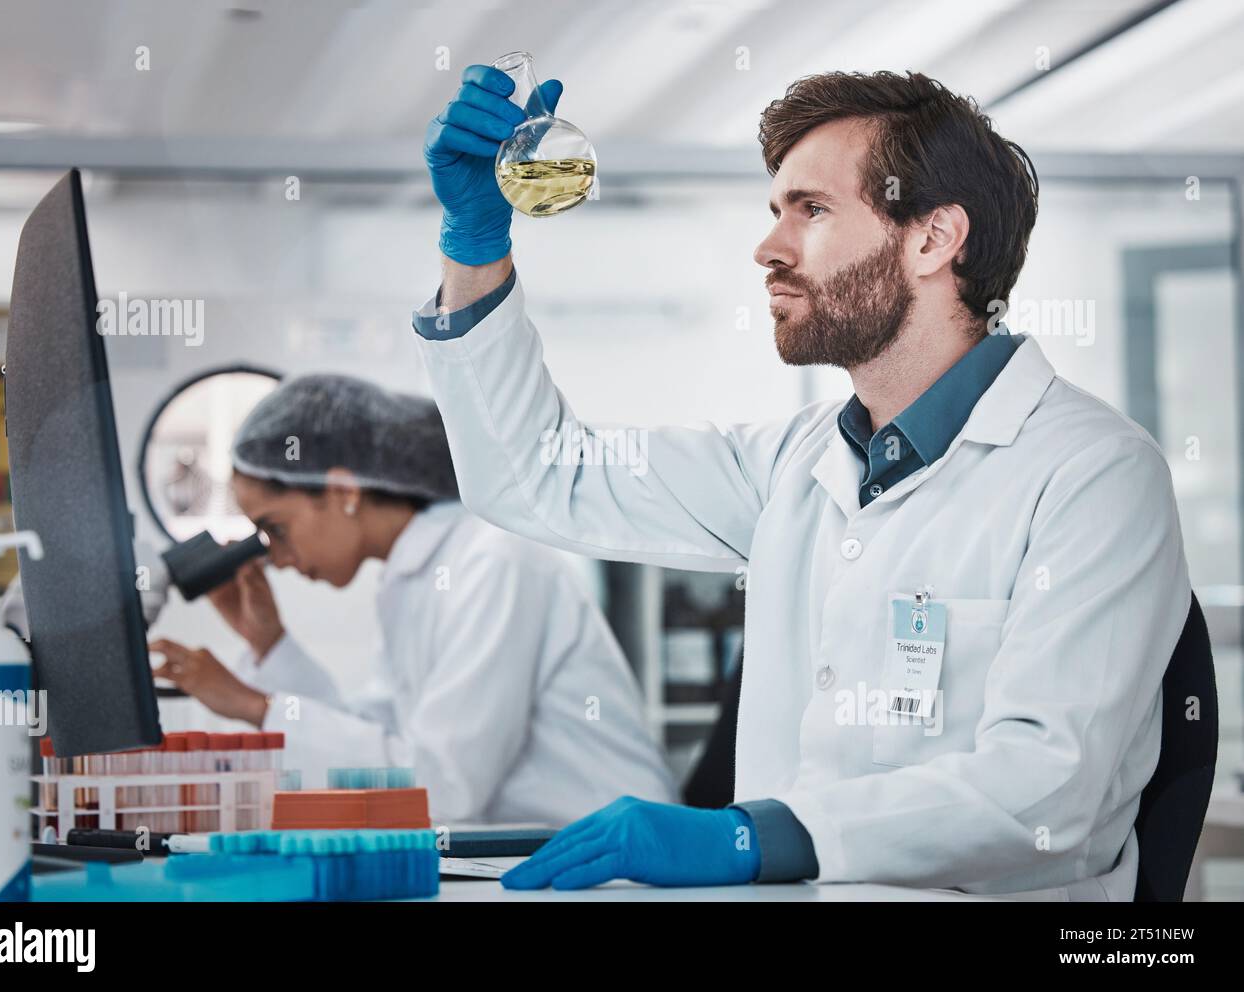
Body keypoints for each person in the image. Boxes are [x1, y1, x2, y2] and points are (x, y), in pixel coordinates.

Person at [413, 68, 1191, 897]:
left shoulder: (1094, 473)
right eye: (775, 211)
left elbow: (1044, 786)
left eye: (812, 210)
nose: (770, 248)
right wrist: (475, 244)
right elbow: (535, 476)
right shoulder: (794, 463)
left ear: (933, 240)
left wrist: (754, 838)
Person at [149, 373, 676, 826]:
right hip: (526, 847)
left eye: (276, 529)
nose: (276, 559)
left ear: (343, 491)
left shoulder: (494, 561)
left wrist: (252, 705)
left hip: (615, 861)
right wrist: (268, 645)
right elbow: (383, 742)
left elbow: (445, 786)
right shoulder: (413, 577)